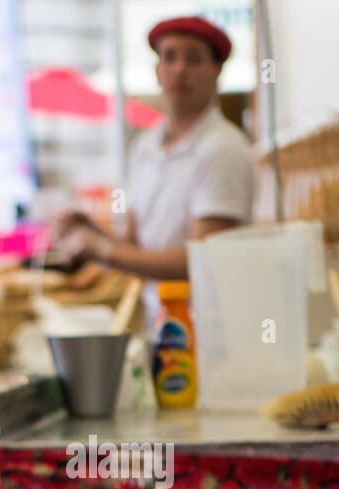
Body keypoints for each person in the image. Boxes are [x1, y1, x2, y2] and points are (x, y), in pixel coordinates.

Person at [53, 15, 255, 310]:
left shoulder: (222, 149)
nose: (180, 70)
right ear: (157, 71)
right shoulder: (145, 148)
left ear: (217, 71)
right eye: (169, 57)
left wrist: (102, 249)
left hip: (211, 325)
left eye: (194, 59)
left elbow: (201, 260)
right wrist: (94, 232)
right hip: (159, 324)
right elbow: (136, 247)